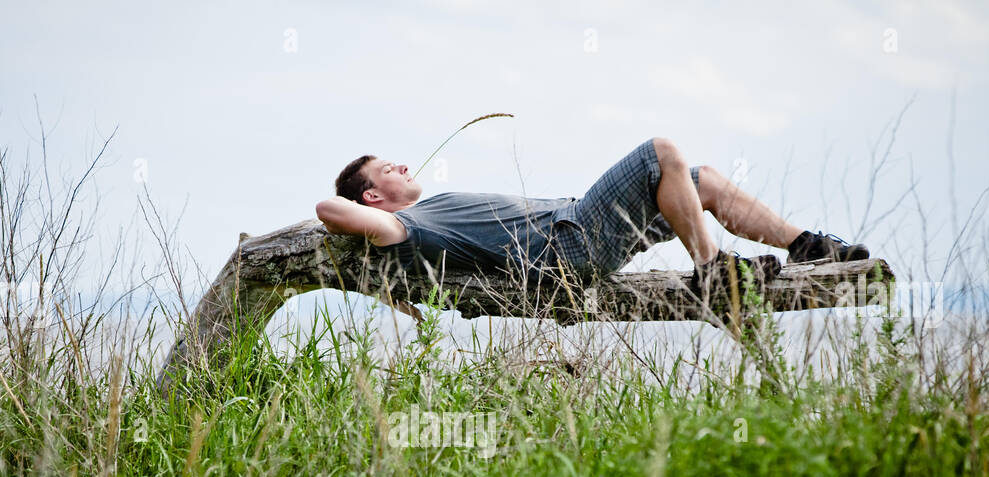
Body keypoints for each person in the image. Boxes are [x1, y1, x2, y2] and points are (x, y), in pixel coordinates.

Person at [315, 138, 869, 313]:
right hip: (574, 239)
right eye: (389, 170)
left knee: (700, 179)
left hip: (581, 229)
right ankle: (710, 270)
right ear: (371, 197)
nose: (403, 167)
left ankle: (808, 246)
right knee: (661, 151)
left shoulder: (421, 213)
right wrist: (367, 218)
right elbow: (328, 211)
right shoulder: (404, 229)